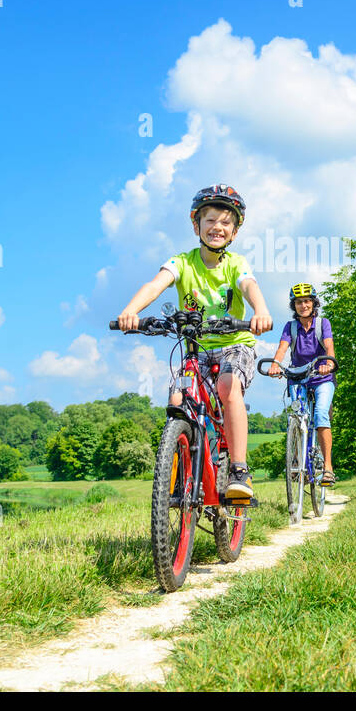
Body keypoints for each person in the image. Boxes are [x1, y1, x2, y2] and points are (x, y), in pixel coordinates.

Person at [116, 184, 273, 502]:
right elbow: (156, 284)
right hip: (195, 348)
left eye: (226, 222)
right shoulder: (182, 262)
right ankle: (178, 473)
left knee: (228, 387)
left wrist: (261, 310)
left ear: (234, 232)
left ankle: (239, 469)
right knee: (177, 398)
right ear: (196, 225)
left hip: (234, 344)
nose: (217, 227)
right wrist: (131, 311)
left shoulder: (235, 263)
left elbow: (249, 285)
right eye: (210, 220)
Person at [267, 283, 338, 485]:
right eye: (299, 302)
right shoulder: (290, 327)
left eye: (307, 301)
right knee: (297, 416)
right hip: (298, 376)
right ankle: (298, 460)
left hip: (322, 376)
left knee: (321, 414)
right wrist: (275, 364)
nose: (303, 305)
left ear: (314, 303)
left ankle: (327, 468)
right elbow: (282, 348)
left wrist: (328, 363)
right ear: (294, 305)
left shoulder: (323, 323)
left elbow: (329, 346)